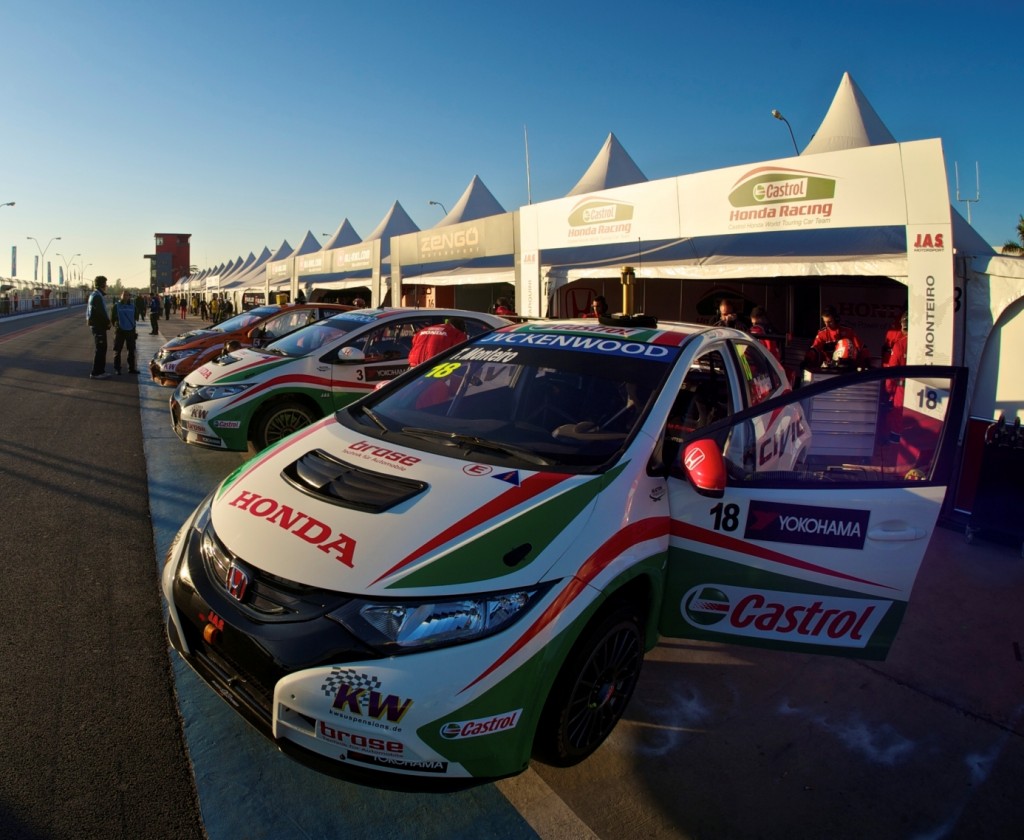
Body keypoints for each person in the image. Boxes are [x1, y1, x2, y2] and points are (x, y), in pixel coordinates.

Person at [86, 275, 112, 379]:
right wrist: (107, 322)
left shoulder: (95, 294)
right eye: (105, 283)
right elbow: (101, 312)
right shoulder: (97, 296)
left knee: (101, 348)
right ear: (102, 284)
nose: (106, 285)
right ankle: (96, 372)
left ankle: (100, 371)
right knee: (100, 348)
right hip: (98, 326)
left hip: (97, 325)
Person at [110, 290, 139, 374]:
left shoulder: (133, 306)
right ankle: (117, 369)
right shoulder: (116, 306)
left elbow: (136, 317)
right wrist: (117, 327)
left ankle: (131, 368)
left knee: (131, 350)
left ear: (129, 296)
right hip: (120, 331)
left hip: (130, 331)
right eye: (124, 295)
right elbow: (112, 319)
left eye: (127, 295)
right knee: (117, 350)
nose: (126, 296)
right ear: (120, 296)